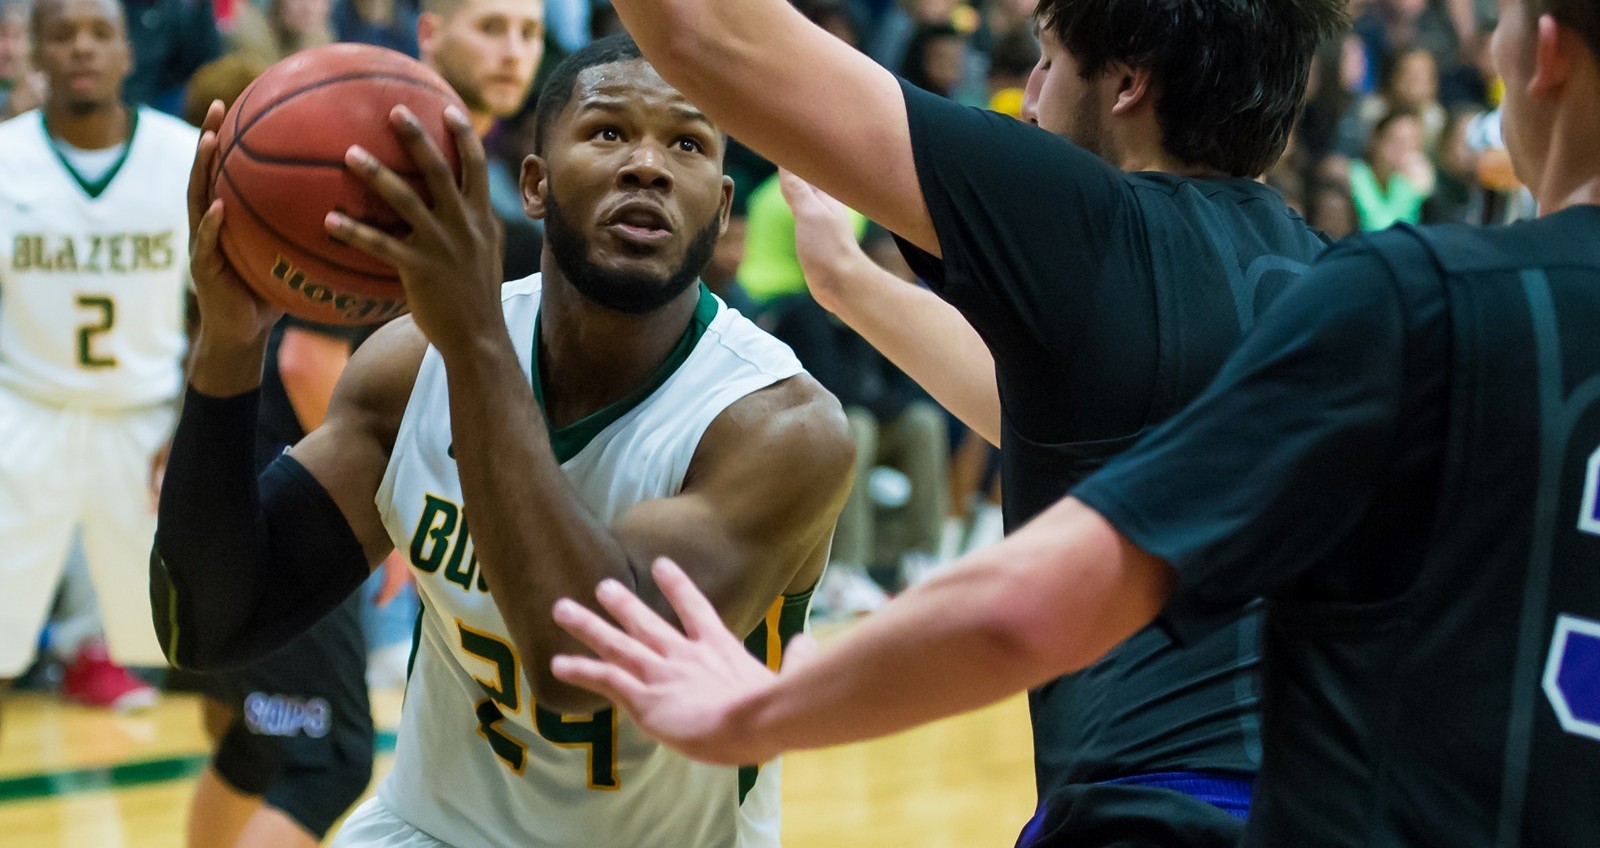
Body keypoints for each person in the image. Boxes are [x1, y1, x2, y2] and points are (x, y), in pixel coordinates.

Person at [548, 0, 1600, 845]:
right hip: (1320, 799)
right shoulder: (1328, 276)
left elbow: (702, 31)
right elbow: (1072, 429)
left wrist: (774, 702)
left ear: (1128, 80)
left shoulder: (1081, 210)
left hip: (1144, 799)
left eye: (1045, 60)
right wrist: (849, 284)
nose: (1032, 98)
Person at [153, 33, 853, 848]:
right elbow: (208, 624)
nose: (648, 165)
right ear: (533, 183)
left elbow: (574, 663)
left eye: (687, 143)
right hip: (428, 830)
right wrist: (230, 344)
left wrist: (476, 345)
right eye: (607, 132)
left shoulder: (779, 426)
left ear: (723, 207)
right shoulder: (410, 365)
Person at [178, 2, 545, 844]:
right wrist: (395, 501)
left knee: (262, 745)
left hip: (270, 460)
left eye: (527, 32)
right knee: (326, 758)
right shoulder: (379, 159)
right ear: (429, 35)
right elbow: (311, 358)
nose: (513, 50)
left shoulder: (468, 175)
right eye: (491, 27)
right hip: (299, 475)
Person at [0, 0, 194, 733]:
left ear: (127, 53)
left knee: (185, 651)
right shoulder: (6, 157)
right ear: (35, 54)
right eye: (62, 34)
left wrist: (193, 425)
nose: (81, 47)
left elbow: (213, 308)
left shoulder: (180, 158)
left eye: (99, 33)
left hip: (145, 418)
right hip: (24, 409)